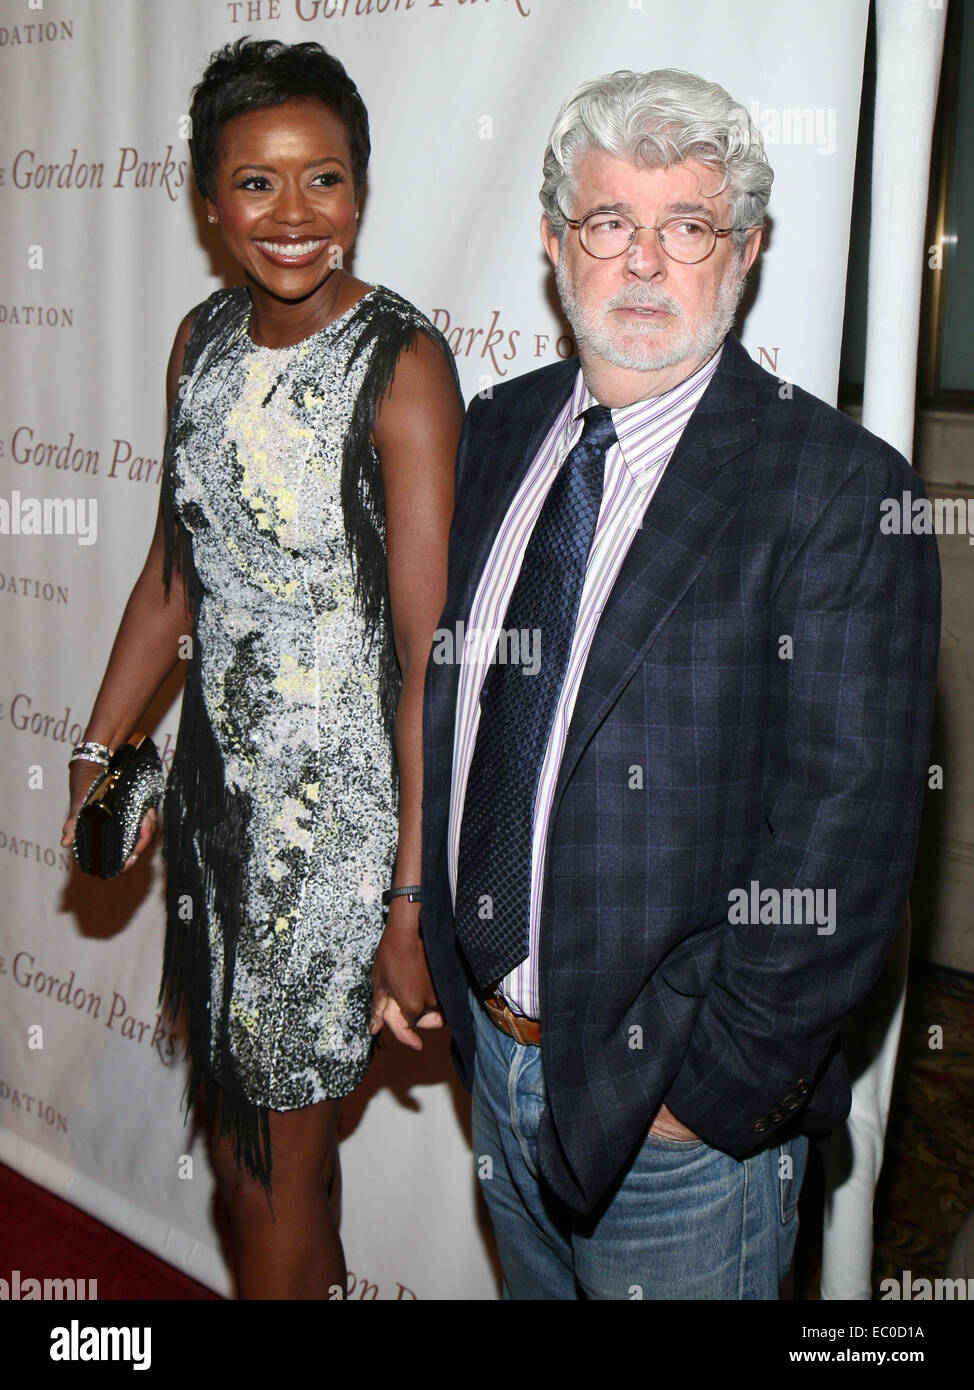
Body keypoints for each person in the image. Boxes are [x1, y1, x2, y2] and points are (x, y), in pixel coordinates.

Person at [418, 68, 941, 1300]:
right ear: (555, 244)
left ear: (743, 252)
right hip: (492, 1054)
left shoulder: (837, 490)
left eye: (687, 226)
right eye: (609, 222)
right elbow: (462, 711)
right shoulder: (494, 430)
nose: (643, 262)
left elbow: (845, 844)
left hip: (677, 1131)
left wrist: (706, 1099)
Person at [61, 38, 463, 1300]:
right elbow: (174, 574)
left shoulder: (400, 365)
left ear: (360, 189)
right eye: (256, 183)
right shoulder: (199, 342)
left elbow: (426, 658)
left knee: (269, 1170)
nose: (294, 216)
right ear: (205, 195)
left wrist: (410, 901)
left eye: (324, 179)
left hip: (333, 841)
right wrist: (96, 750)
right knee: (259, 1155)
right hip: (215, 808)